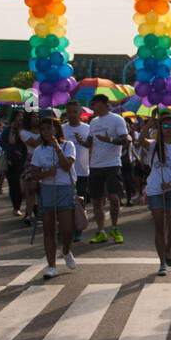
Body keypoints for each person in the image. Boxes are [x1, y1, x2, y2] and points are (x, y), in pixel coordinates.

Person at [29, 116, 77, 279]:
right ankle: (51, 265)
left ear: (57, 129)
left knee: (66, 229)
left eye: (49, 128)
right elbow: (34, 174)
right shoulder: (39, 150)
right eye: (43, 130)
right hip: (47, 189)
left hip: (64, 189)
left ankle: (66, 250)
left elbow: (67, 165)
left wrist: (57, 147)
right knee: (48, 229)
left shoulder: (67, 145)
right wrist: (46, 173)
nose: (46, 132)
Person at [141, 108, 171, 276]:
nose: (168, 126)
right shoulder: (153, 146)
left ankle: (167, 248)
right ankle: (162, 263)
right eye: (164, 123)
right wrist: (150, 123)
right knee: (159, 226)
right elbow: (140, 139)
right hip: (154, 190)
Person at [86, 94, 129, 244]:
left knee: (114, 198)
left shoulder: (117, 119)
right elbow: (89, 142)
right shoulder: (93, 122)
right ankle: (101, 230)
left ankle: (115, 227)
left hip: (112, 164)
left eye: (95, 104)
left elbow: (125, 140)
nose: (93, 107)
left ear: (104, 104)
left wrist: (109, 139)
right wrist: (81, 142)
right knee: (97, 200)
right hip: (95, 165)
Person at [61, 101, 91, 242]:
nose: (72, 114)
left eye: (75, 111)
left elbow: (92, 148)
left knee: (80, 201)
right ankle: (65, 228)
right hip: (65, 172)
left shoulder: (87, 129)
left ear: (80, 113)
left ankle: (78, 227)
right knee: (65, 203)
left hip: (82, 170)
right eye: (69, 112)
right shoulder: (61, 129)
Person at [1, 110, 28, 216]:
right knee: (13, 185)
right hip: (11, 161)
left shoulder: (24, 130)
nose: (20, 118)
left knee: (23, 185)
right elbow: (3, 143)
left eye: (21, 116)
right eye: (18, 116)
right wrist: (13, 150)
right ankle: (16, 206)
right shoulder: (8, 130)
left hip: (24, 161)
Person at [19, 112, 41, 225]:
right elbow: (35, 143)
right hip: (31, 160)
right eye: (33, 116)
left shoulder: (43, 130)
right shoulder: (23, 132)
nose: (36, 119)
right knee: (30, 189)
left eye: (38, 116)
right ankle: (28, 214)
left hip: (44, 160)